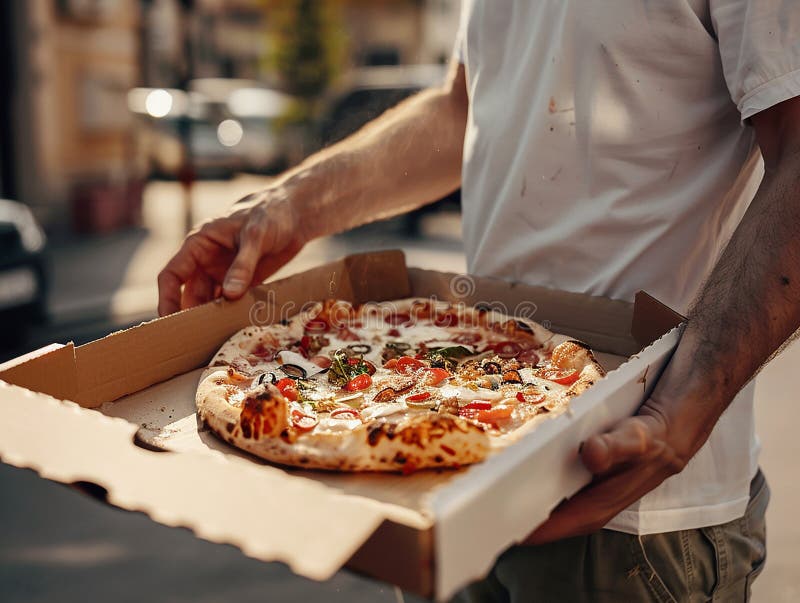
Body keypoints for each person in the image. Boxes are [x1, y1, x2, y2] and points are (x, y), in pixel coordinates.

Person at [158, 1, 800, 600]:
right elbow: (464, 111)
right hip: (459, 486)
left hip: (636, 510)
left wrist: (684, 413)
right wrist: (293, 203)